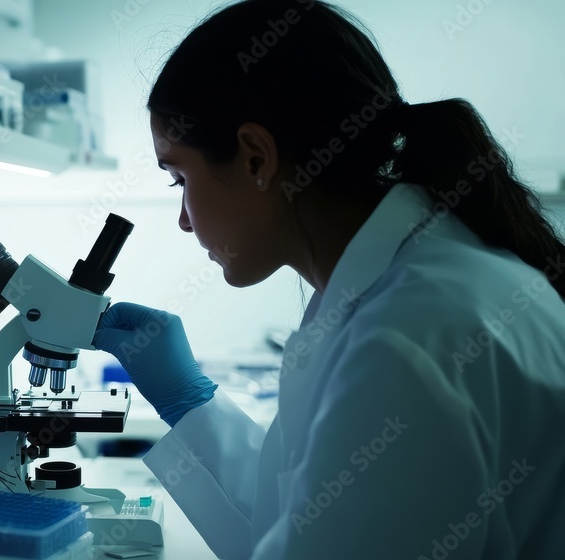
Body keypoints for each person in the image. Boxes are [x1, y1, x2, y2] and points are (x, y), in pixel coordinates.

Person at [92, 1, 565, 558]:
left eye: (178, 178)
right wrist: (190, 404)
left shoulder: (401, 341)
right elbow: (304, 516)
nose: (185, 219)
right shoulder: (423, 279)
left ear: (254, 159)